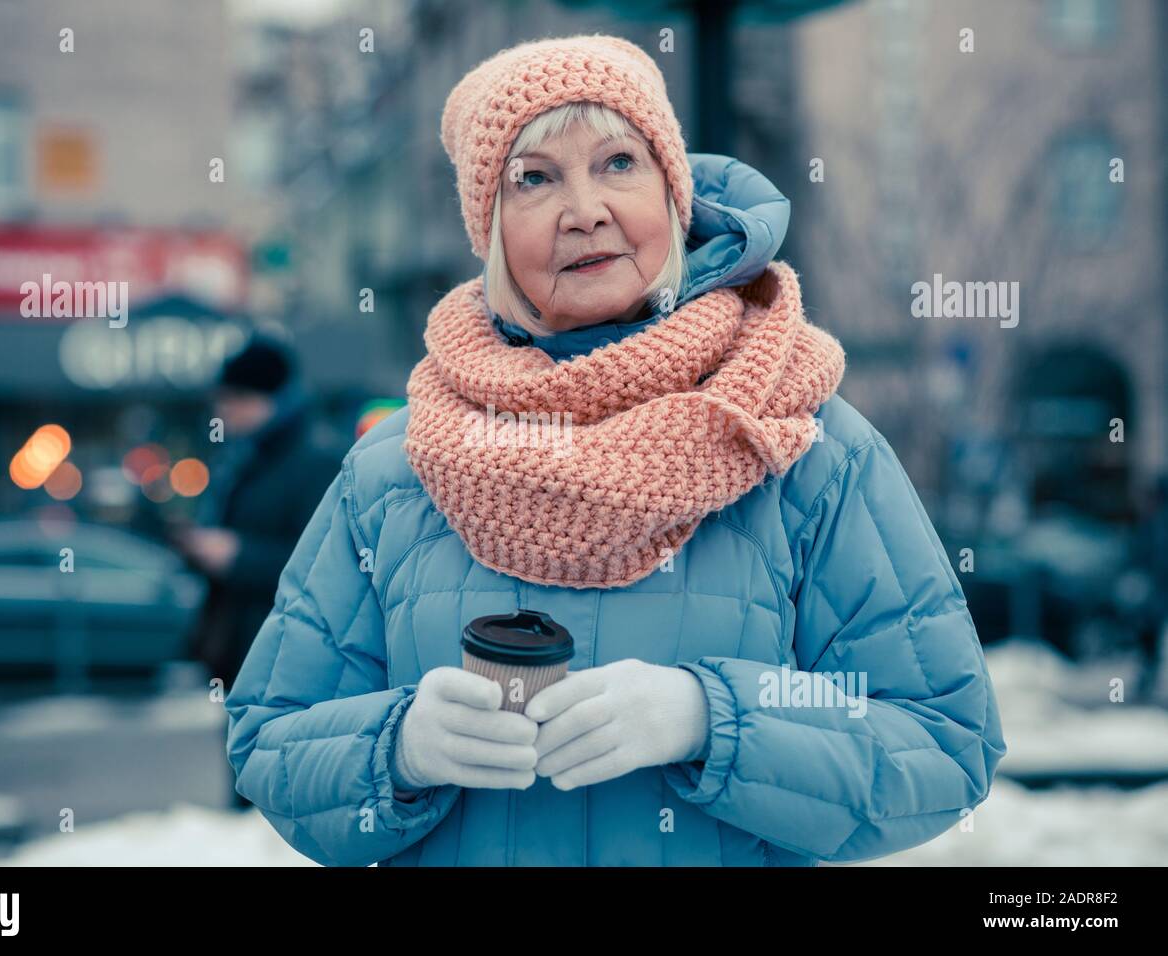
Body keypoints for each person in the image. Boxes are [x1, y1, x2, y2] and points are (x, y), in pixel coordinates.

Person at [224, 34, 1007, 865]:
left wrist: (712, 719)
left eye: (619, 163)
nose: (584, 209)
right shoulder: (394, 468)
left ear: (673, 193)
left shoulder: (805, 444)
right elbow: (271, 741)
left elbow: (942, 744)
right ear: (488, 230)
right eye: (533, 179)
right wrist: (396, 749)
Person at [176, 337, 339, 807]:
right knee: (245, 768)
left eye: (231, 401)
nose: (223, 413)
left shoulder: (313, 458)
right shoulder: (247, 457)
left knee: (272, 780)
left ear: (261, 399)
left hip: (283, 649)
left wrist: (236, 556)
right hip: (243, 642)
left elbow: (322, 566)